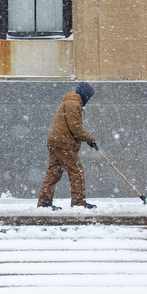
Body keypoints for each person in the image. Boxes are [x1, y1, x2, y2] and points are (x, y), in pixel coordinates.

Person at [37, 82, 99, 210]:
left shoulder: (71, 102)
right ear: (84, 95)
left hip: (55, 142)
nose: (89, 100)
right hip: (64, 143)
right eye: (89, 97)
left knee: (53, 173)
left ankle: (44, 203)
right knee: (77, 172)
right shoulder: (73, 104)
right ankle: (78, 203)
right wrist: (90, 139)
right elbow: (75, 128)